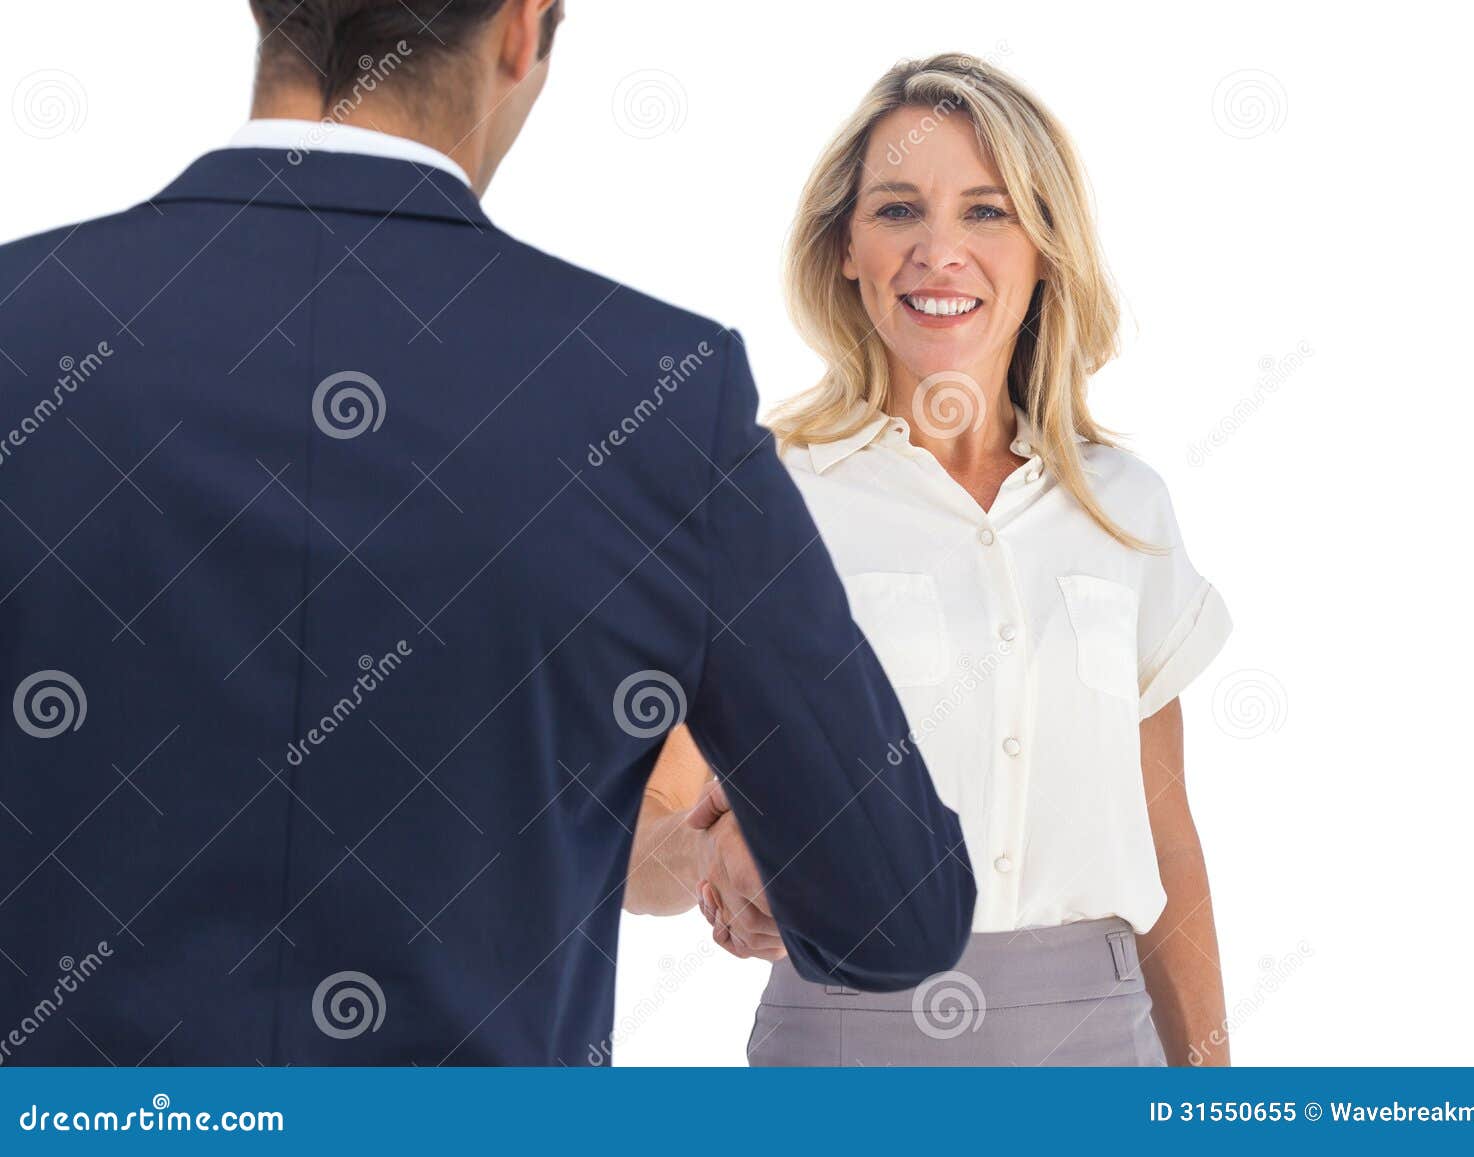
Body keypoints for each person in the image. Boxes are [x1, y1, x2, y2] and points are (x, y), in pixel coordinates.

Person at [0, 2, 974, 1066]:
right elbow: (896, 910)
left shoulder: (24, 325)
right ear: (522, 28)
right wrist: (751, 838)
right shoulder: (651, 391)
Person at [628, 53, 1233, 1066]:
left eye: (986, 212)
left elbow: (1167, 841)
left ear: (1045, 249)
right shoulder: (764, 502)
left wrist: (1216, 1092)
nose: (937, 251)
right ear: (845, 251)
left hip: (1097, 1048)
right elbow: (640, 830)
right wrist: (722, 855)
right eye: (899, 209)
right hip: (842, 1045)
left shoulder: (1126, 510)